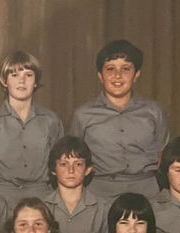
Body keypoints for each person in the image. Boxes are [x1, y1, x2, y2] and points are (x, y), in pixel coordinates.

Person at [70, 40, 168, 205]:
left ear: (136, 75)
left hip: (146, 191)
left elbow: (162, 154)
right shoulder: (83, 114)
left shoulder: (153, 111)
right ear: (100, 76)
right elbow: (73, 158)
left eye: (126, 69)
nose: (117, 75)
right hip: (99, 191)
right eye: (110, 69)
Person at [0, 51, 64, 211]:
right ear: (4, 81)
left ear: (36, 81)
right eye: (14, 75)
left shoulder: (50, 120)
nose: (22, 81)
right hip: (1, 195)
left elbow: (60, 163)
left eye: (28, 75)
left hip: (41, 194)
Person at [42, 136, 112, 233]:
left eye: (78, 164)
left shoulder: (102, 208)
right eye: (64, 164)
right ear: (53, 169)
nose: (71, 170)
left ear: (88, 169)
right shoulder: (42, 208)